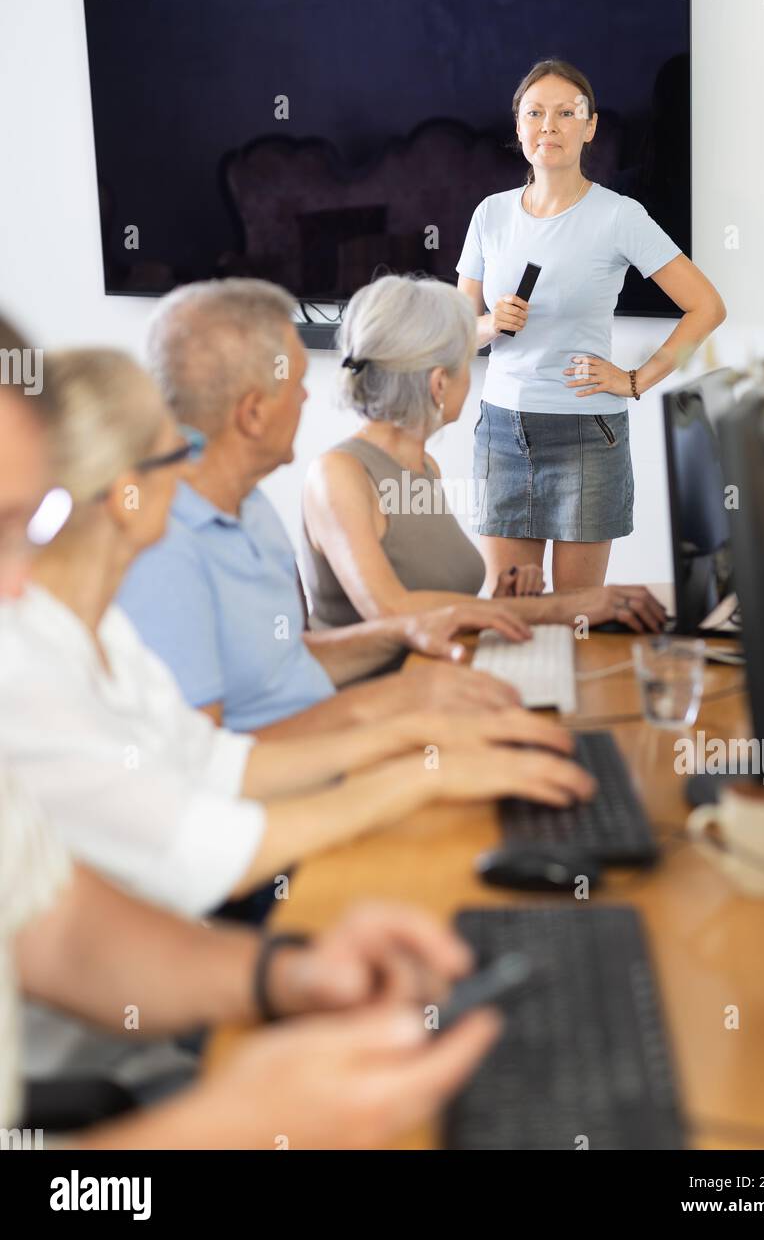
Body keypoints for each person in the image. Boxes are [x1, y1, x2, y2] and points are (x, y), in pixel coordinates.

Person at [0, 311, 499, 1149]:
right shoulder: (27, 678)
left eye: (24, 524)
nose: (21, 583)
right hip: (118, 1083)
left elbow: (61, 929)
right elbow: (200, 841)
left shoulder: (70, 631)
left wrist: (291, 974)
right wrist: (228, 1124)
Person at [0, 345, 591, 925]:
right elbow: (202, 846)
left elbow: (218, 765)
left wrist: (416, 729)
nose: (189, 469)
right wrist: (420, 767)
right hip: (206, 910)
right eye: (176, 452)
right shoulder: (36, 670)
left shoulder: (110, 636)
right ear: (125, 495)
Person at [118, 277, 533, 735]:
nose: (308, 396)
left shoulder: (250, 507)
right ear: (253, 412)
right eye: (297, 382)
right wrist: (391, 719)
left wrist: (448, 633)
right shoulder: (162, 544)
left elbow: (293, 661)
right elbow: (206, 767)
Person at [456, 57, 726, 592]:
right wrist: (490, 326)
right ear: (518, 126)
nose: (549, 126)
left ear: (590, 126)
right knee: (513, 615)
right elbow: (454, 332)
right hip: (502, 431)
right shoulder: (490, 214)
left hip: (586, 433)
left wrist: (634, 380)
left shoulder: (619, 215)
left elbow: (707, 307)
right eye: (535, 113)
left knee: (579, 613)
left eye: (565, 113)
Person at [302, 273, 668, 633]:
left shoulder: (422, 466)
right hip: (379, 689)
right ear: (439, 383)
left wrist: (505, 605)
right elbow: (393, 611)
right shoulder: (338, 475)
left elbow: (431, 600)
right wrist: (560, 607)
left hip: (437, 672)